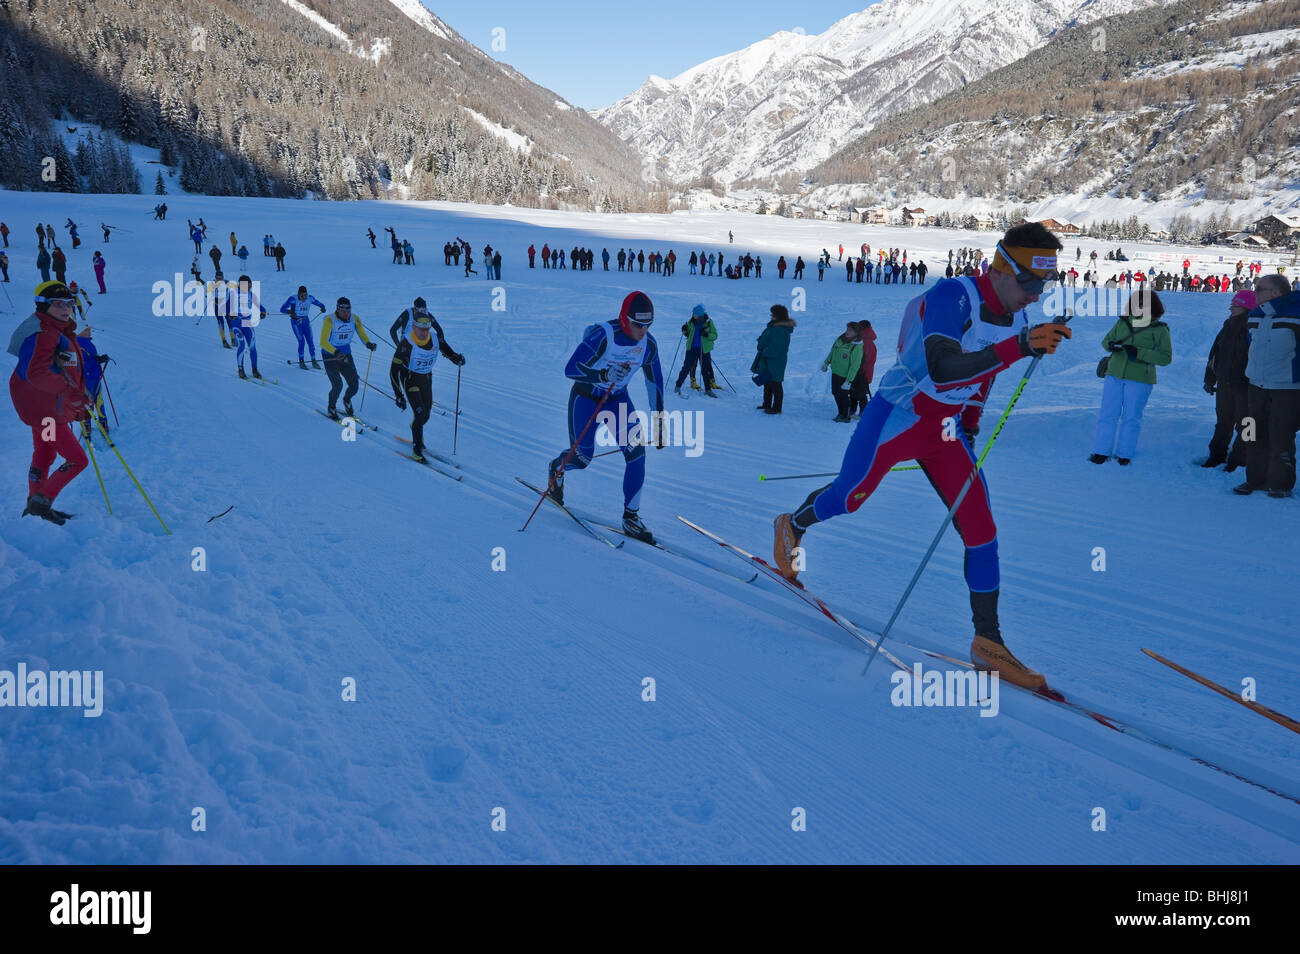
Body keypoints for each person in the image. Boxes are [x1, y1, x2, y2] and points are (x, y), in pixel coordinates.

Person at [772, 223, 1074, 689]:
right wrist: (1019, 347)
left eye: (1045, 286)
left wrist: (970, 425)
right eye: (1030, 283)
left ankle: (987, 642)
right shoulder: (954, 296)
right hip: (898, 413)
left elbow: (982, 379)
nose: (1034, 296)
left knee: (982, 528)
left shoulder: (1016, 315)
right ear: (1000, 267)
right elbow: (944, 366)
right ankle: (793, 524)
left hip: (948, 430)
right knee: (849, 498)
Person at [545, 291, 665, 542]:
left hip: (617, 401)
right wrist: (602, 376)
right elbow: (570, 369)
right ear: (624, 318)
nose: (642, 330)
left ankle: (631, 517)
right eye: (637, 324)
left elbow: (655, 383)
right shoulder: (604, 335)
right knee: (582, 458)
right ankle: (557, 467)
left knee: (637, 453)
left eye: (647, 325)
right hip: (586, 399)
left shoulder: (648, 345)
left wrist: (659, 422)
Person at [8, 282, 90, 524]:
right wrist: (72, 395)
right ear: (43, 306)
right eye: (58, 304)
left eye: (68, 303)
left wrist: (73, 402)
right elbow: (36, 373)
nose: (66, 308)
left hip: (41, 408)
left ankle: (34, 503)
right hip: (46, 411)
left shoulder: (53, 329)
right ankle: (42, 501)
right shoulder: (45, 334)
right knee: (77, 460)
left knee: (44, 454)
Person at [1235, 274, 1300, 497]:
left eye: (1259, 288)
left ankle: (1280, 484)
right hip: (1255, 387)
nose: (1254, 292)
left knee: (1280, 437)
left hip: (1286, 390)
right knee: (1252, 433)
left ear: (1275, 292)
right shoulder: (1256, 314)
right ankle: (1254, 480)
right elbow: (1250, 348)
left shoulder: (1296, 314)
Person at [1089, 290, 1171, 465]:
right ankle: (1101, 451)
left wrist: (1139, 352)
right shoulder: (1122, 322)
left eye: (1143, 304)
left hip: (1140, 379)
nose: (1139, 307)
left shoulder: (1160, 329)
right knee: (1107, 414)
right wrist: (1111, 345)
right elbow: (1106, 341)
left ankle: (1125, 454)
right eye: (1136, 303)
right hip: (1114, 375)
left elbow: (1165, 357)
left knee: (1131, 417)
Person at [390, 307, 465, 463]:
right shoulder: (406, 344)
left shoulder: (435, 338)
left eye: (426, 328)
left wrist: (457, 359)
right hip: (410, 379)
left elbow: (449, 352)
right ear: (413, 327)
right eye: (420, 328)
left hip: (426, 379)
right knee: (419, 414)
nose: (424, 332)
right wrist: (398, 395)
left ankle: (415, 428)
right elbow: (393, 371)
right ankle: (417, 450)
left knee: (426, 415)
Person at [1203, 290, 1255, 471]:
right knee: (1223, 422)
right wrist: (1210, 378)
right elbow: (1214, 354)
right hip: (1225, 384)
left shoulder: (1254, 328)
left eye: (1236, 305)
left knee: (1248, 424)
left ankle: (1241, 459)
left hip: (1247, 386)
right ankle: (1216, 456)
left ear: (1247, 307)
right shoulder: (1228, 326)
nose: (1231, 307)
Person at [320, 297, 376, 419]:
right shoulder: (330, 320)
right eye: (343, 310)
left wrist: (368, 343)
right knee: (337, 385)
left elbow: (361, 333)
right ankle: (331, 407)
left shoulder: (354, 318)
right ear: (337, 309)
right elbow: (323, 342)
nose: (346, 313)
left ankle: (347, 400)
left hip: (346, 354)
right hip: (330, 355)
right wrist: (336, 352)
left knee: (354, 384)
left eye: (348, 310)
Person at [752, 304, 795, 415]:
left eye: (773, 315)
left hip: (775, 361)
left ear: (778, 316)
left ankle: (776, 408)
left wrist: (764, 351)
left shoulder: (779, 330)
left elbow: (776, 349)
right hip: (769, 360)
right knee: (767, 383)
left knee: (775, 384)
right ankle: (766, 404)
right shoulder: (774, 327)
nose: (771, 316)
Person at [674, 305, 719, 397]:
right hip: (692, 349)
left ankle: (708, 389)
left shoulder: (709, 323)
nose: (693, 315)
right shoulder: (691, 322)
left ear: (700, 314)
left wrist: (706, 334)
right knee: (686, 367)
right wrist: (684, 330)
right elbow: (687, 333)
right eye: (693, 314)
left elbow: (715, 335)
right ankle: (678, 385)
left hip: (704, 350)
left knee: (705, 369)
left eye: (695, 314)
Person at [822, 322, 863, 422]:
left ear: (856, 333)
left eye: (850, 330)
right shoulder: (840, 339)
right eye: (847, 329)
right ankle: (840, 413)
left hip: (845, 376)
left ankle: (845, 416)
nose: (847, 332)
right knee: (835, 392)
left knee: (843, 395)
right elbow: (833, 351)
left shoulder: (856, 346)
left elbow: (855, 365)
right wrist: (826, 363)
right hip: (835, 372)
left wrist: (848, 381)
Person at [228, 275, 266, 380]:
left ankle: (255, 369)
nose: (250, 287)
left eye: (251, 285)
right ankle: (241, 369)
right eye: (248, 285)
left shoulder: (251, 295)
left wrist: (263, 312)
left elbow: (260, 306)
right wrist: (231, 313)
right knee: (241, 345)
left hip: (247, 322)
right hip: (236, 323)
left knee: (252, 346)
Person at [280, 285, 326, 368]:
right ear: (298, 294)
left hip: (305, 321)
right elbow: (282, 309)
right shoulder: (293, 299)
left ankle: (313, 360)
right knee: (301, 342)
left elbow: (319, 303)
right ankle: (301, 361)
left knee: (310, 341)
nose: (303, 297)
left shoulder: (310, 298)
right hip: (296, 322)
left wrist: (323, 307)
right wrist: (290, 311)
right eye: (301, 295)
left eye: (305, 295)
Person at [851, 320, 877, 417]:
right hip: (859, 371)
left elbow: (866, 360)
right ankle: (853, 410)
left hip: (862, 373)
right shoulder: (862, 340)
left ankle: (863, 411)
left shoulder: (866, 342)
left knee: (861, 393)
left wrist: (860, 371)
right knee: (854, 391)